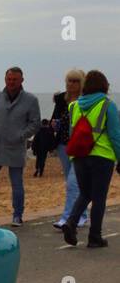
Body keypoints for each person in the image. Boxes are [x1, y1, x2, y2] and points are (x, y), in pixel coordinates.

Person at [0, 66, 41, 227]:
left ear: (21, 80)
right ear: (5, 79)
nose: (11, 82)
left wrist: (21, 135)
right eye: (9, 79)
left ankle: (17, 215)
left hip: (16, 148)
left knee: (16, 184)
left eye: (15, 79)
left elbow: (35, 123)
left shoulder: (31, 100)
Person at [61, 69, 120, 248]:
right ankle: (95, 236)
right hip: (102, 156)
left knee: (85, 193)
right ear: (104, 86)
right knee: (99, 197)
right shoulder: (107, 105)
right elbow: (115, 135)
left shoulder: (75, 106)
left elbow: (72, 133)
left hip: (79, 155)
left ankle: (71, 222)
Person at [51, 68, 88, 231]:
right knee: (73, 181)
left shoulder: (86, 100)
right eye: (69, 81)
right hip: (63, 144)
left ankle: (68, 218)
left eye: (76, 81)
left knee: (73, 183)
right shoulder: (61, 99)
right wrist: (54, 124)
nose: (72, 84)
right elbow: (55, 118)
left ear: (82, 83)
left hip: (80, 146)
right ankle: (82, 215)